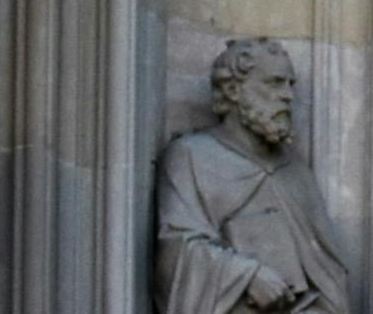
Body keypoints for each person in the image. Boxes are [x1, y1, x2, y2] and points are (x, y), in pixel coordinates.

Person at [149, 33, 358, 314]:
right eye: (275, 83)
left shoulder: (297, 175)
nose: (287, 96)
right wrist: (247, 276)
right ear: (233, 90)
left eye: (290, 84)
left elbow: (329, 275)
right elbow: (176, 255)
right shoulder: (191, 156)